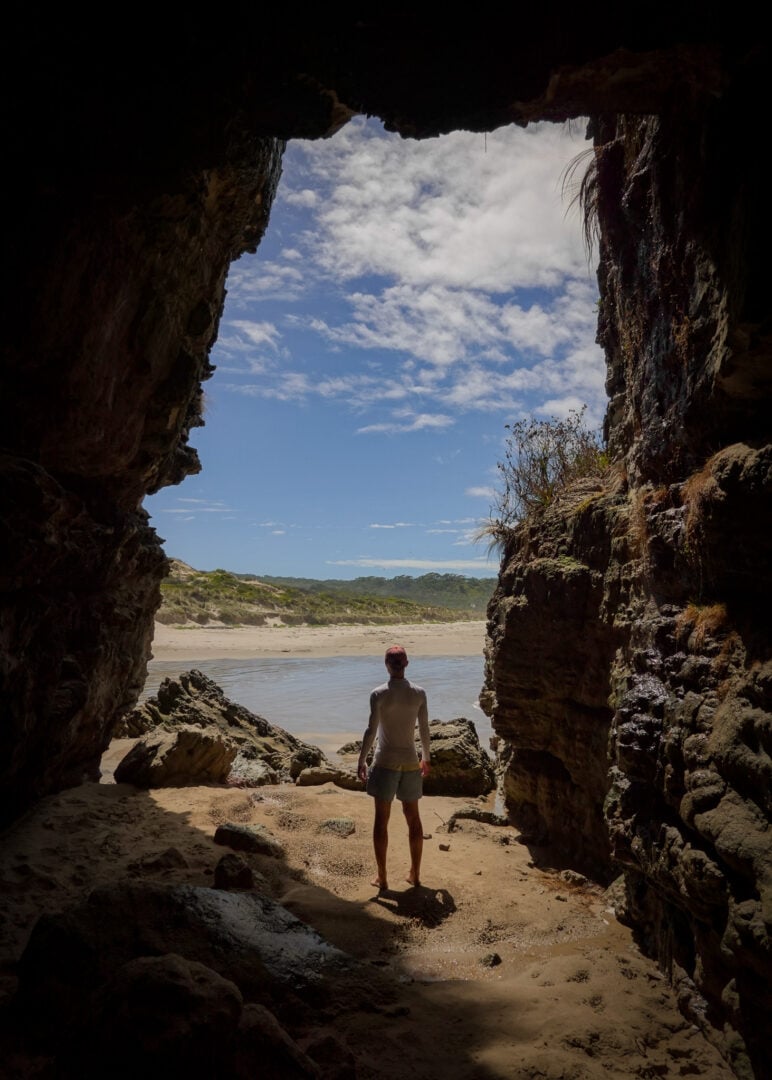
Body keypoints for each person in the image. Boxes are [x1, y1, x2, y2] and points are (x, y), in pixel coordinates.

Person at [357, 645, 431, 891]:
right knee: (414, 819)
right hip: (410, 761)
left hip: (385, 763)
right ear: (407, 663)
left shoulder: (378, 694)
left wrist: (361, 760)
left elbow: (371, 730)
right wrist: (426, 757)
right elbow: (424, 729)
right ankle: (416, 874)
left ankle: (382, 878)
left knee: (382, 821)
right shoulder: (419, 693)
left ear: (386, 665)